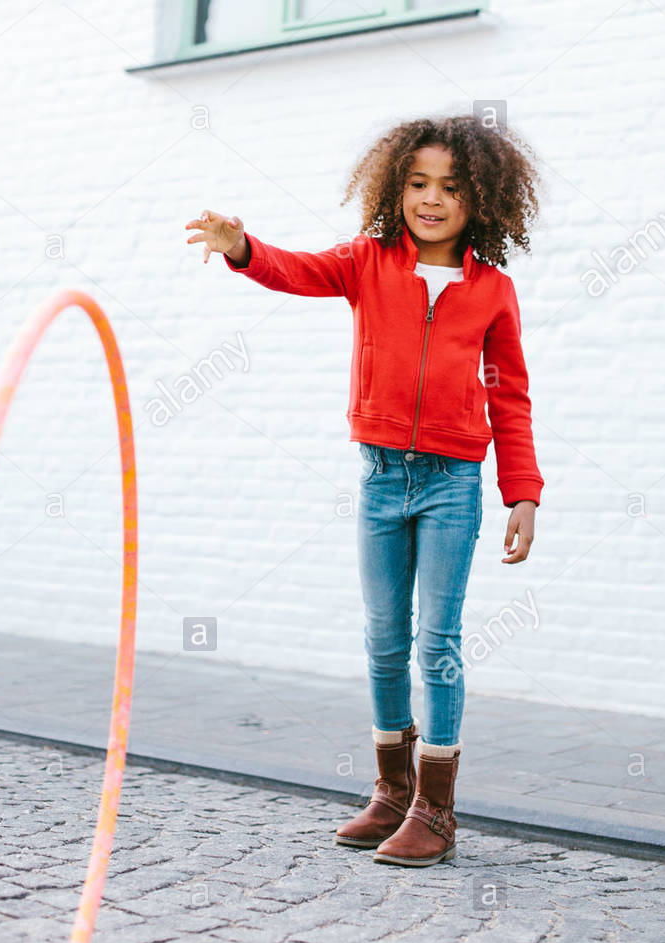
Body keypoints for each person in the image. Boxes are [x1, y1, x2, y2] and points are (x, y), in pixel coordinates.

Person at [185, 114, 544, 868]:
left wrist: (523, 492)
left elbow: (509, 395)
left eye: (450, 186)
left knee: (438, 644)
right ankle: (391, 789)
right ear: (395, 189)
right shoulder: (367, 263)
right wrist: (241, 249)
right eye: (418, 184)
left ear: (481, 198)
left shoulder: (493, 292)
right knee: (384, 641)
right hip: (382, 481)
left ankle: (436, 809)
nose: (432, 199)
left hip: (453, 486)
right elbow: (297, 270)